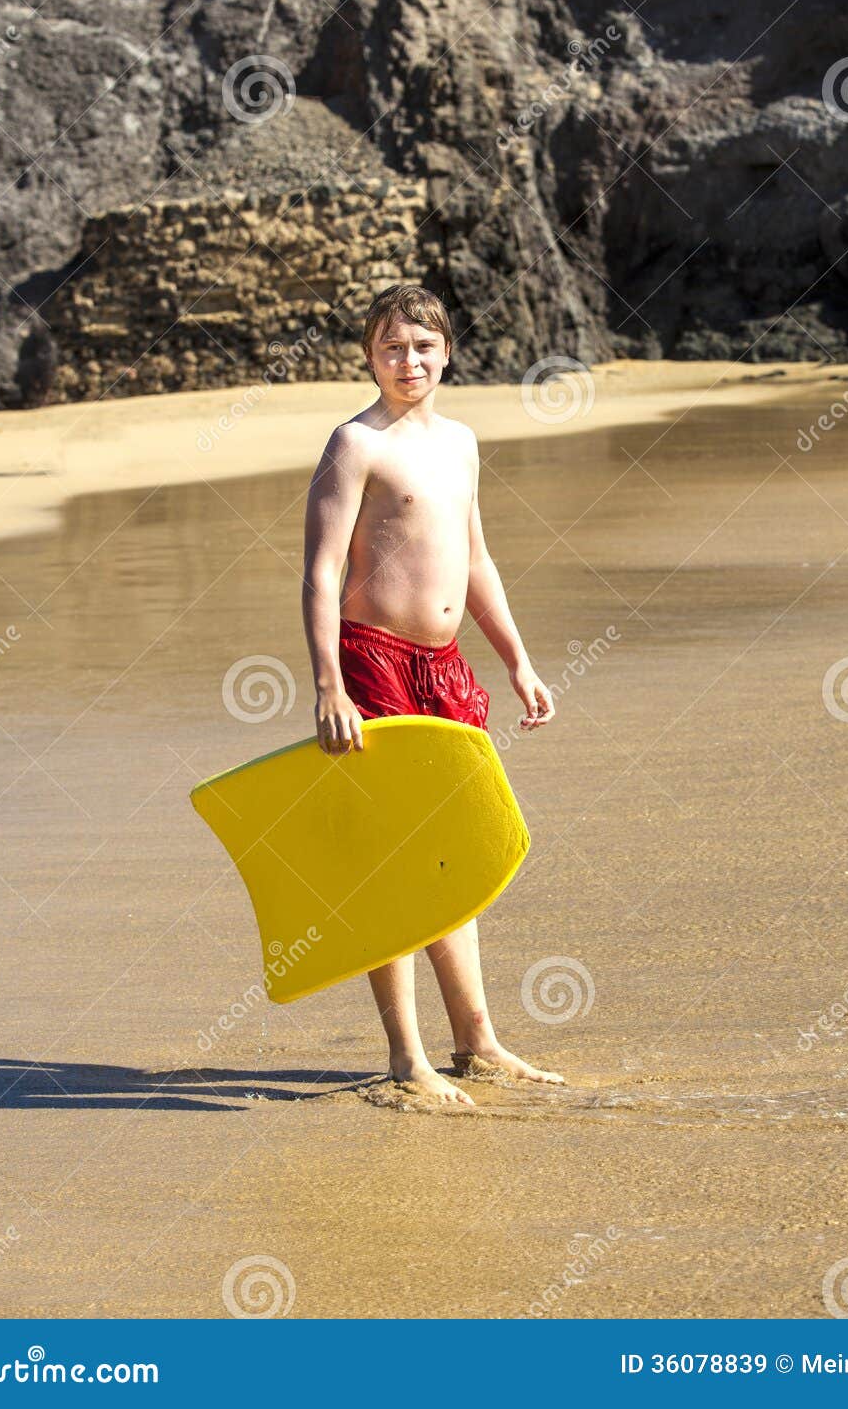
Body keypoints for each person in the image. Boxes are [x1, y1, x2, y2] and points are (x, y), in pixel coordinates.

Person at [302, 283, 564, 1106]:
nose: (407, 361)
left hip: (445, 665)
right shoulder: (355, 445)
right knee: (392, 859)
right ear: (369, 358)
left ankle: (477, 1042)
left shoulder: (459, 443)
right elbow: (318, 574)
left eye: (422, 346)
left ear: (446, 351)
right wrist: (327, 685)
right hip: (373, 662)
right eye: (390, 348)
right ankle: (404, 1059)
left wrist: (516, 660)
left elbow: (476, 560)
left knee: (450, 855)